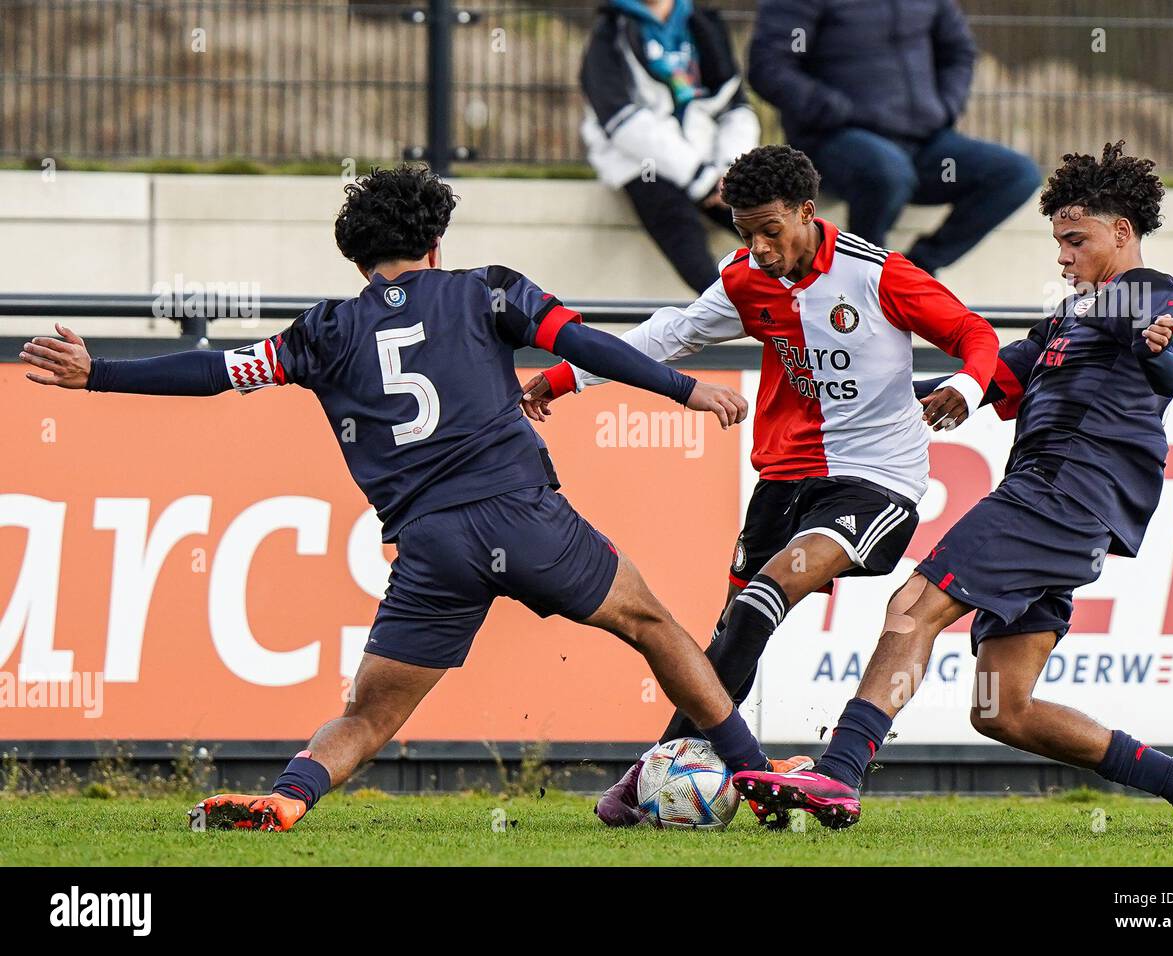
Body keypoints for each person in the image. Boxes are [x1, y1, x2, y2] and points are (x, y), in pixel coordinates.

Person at [18, 165, 806, 832]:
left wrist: (102, 374)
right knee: (655, 626)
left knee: (368, 715)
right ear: (436, 243)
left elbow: (213, 372)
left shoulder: (321, 333)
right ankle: (754, 773)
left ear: (357, 258)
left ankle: (289, 797)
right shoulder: (488, 291)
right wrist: (685, 389)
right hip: (525, 516)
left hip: (432, 547)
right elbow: (584, 343)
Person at [732, 142, 1173, 834]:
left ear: (1122, 233)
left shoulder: (1141, 293)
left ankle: (839, 772)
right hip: (1059, 506)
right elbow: (1003, 371)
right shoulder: (1069, 314)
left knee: (915, 603)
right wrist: (923, 392)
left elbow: (1165, 360)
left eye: (1076, 240)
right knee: (1003, 709)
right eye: (1058, 240)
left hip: (1064, 495)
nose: (1063, 256)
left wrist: (1158, 352)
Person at [522, 144, 999, 827]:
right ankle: (683, 769)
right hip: (783, 477)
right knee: (733, 629)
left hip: (876, 479)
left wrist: (963, 386)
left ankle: (697, 771)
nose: (759, 248)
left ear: (808, 212)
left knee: (766, 595)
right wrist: (567, 376)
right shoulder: (748, 277)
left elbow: (974, 334)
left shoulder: (880, 275)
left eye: (771, 231)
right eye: (744, 232)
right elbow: (672, 334)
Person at [748, 0, 1040, 276]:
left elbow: (958, 51)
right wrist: (834, 109)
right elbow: (769, 67)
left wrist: (945, 107)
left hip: (926, 142)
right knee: (888, 172)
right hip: (836, 138)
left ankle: (914, 270)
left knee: (1017, 174)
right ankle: (860, 273)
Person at [580, 0, 760, 293]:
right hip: (640, 162)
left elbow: (736, 108)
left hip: (711, 161)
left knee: (759, 211)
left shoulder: (704, 23)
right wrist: (700, 178)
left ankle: (818, 283)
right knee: (675, 219)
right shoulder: (610, 30)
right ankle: (731, 304)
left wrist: (730, 170)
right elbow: (622, 122)